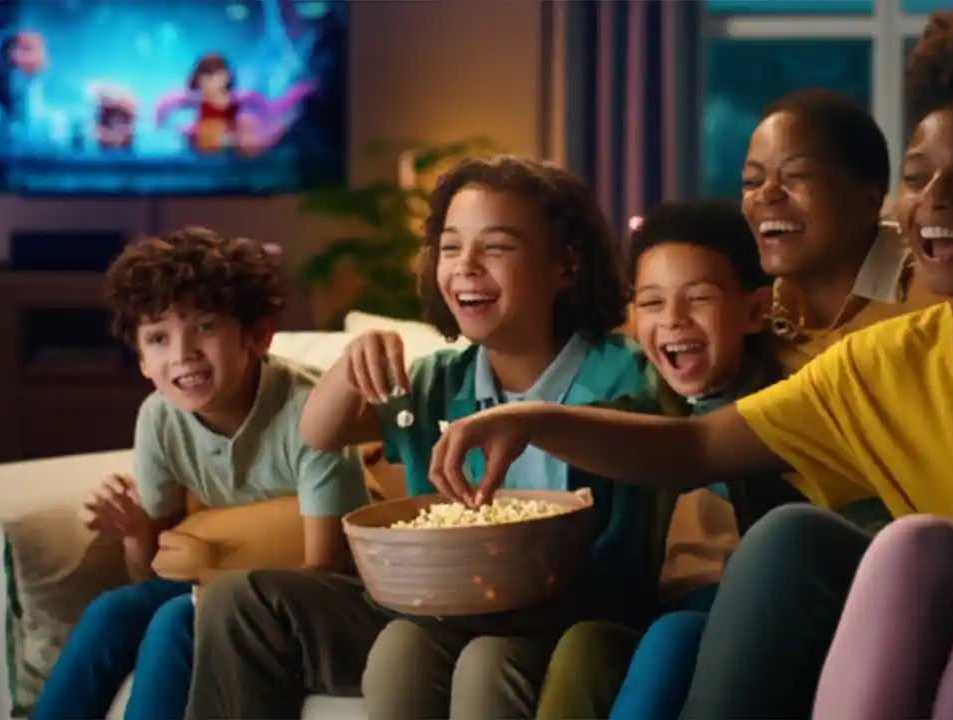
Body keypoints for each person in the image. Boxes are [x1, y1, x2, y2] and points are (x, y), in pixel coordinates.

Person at [427, 4, 953, 718]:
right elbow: (693, 446)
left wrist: (879, 592)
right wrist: (530, 419)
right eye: (918, 179)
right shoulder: (884, 357)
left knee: (915, 551)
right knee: (821, 555)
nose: (934, 201)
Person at [185, 156, 650, 720]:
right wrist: (351, 361)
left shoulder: (624, 374)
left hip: (563, 617)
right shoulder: (438, 379)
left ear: (565, 264)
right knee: (242, 600)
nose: (467, 267)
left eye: (496, 247)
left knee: (468, 657)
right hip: (433, 606)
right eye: (451, 248)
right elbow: (318, 432)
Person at [32, 228, 366, 720]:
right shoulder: (159, 418)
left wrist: (210, 584)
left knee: (178, 616)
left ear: (257, 336)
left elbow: (324, 570)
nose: (182, 353)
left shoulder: (311, 414)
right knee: (114, 609)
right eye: (158, 338)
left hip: (317, 598)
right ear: (142, 360)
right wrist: (136, 532)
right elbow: (151, 573)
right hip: (225, 585)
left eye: (205, 327)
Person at [535, 199, 819, 719]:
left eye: (699, 298)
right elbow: (605, 567)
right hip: (654, 621)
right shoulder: (623, 424)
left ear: (755, 310)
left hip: (765, 631)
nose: (673, 320)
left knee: (676, 633)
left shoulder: (793, 410)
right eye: (651, 303)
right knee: (587, 644)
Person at [744, 89, 942, 374]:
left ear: (871, 197)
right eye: (752, 181)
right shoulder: (751, 317)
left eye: (797, 175)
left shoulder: (938, 296)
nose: (767, 194)